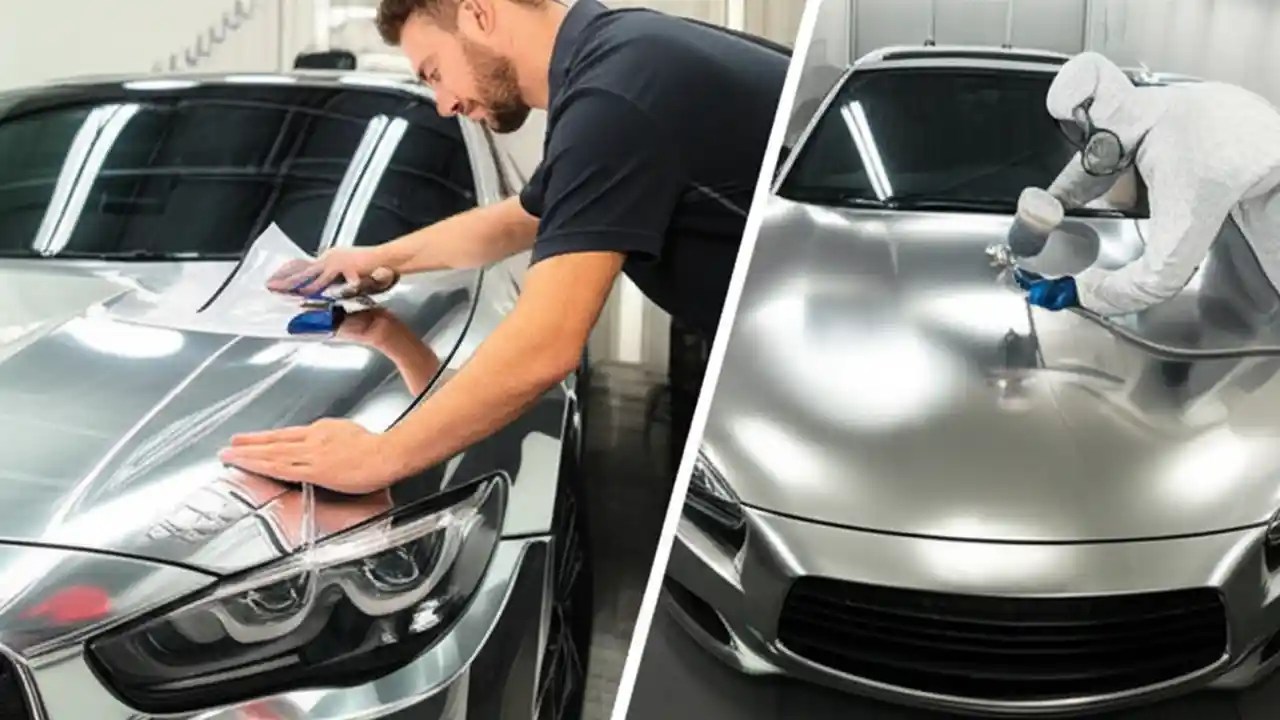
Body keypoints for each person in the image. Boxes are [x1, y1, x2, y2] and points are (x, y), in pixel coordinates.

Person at [217, 0, 786, 493]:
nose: (443, 103)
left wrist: (377, 456)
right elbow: (522, 218)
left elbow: (546, 343)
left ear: (479, 13)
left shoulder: (614, 98)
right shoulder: (624, 55)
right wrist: (377, 258)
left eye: (435, 72)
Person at [1014, 51, 1280, 317]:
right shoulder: (1152, 106)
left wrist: (1081, 291)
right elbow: (1105, 156)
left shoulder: (1178, 155)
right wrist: (1053, 200)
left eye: (1080, 133)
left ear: (1096, 111)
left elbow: (1161, 276)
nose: (1084, 145)